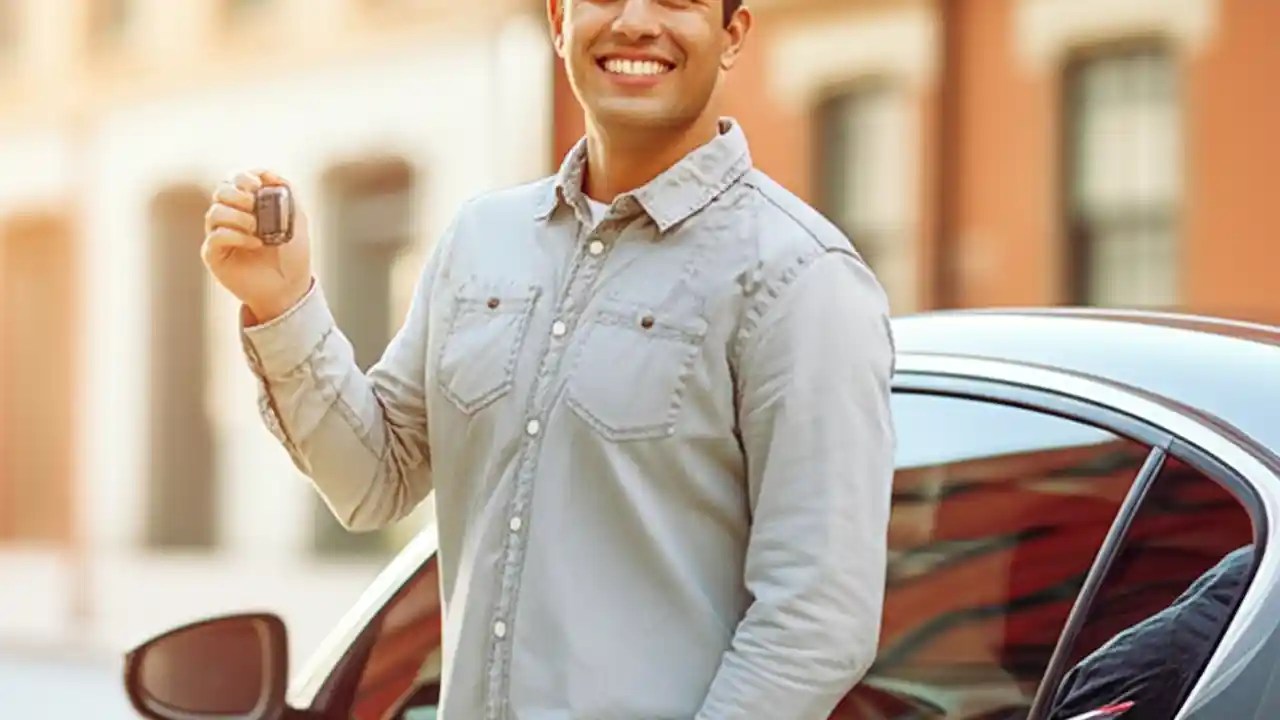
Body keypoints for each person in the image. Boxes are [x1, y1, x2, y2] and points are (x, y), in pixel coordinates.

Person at [200, 0, 897, 717]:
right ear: (559, 18)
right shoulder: (481, 239)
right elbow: (373, 482)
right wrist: (282, 304)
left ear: (732, 34)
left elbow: (816, 621)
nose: (635, 21)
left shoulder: (801, 280)